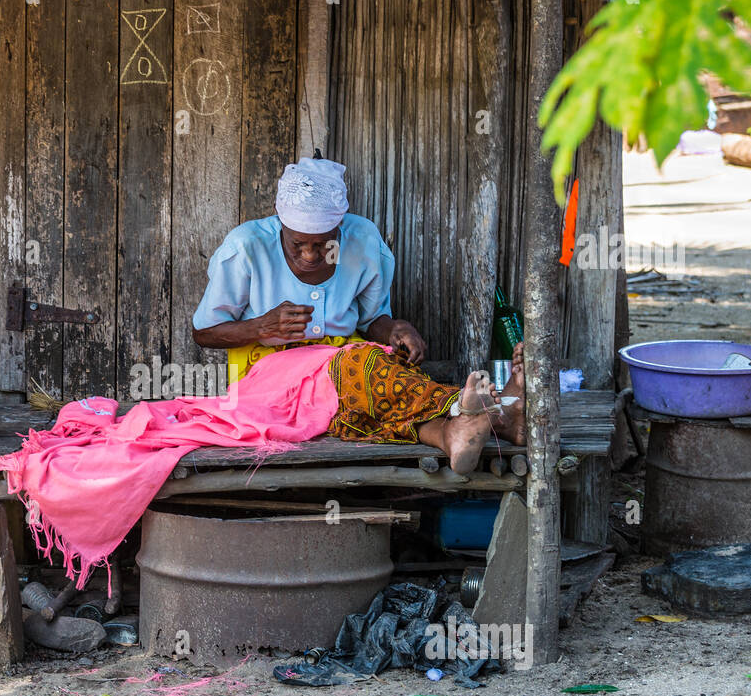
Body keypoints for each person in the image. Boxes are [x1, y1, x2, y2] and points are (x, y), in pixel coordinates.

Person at [191, 155, 525, 473]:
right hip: (267, 378)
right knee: (361, 370)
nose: (310, 255)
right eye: (298, 245)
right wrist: (260, 327)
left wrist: (395, 329)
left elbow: (370, 321)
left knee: (370, 389)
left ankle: (451, 434)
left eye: (323, 245)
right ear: (281, 225)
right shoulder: (247, 247)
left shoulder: (362, 240)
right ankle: (499, 410)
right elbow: (204, 333)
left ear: (339, 228)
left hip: (343, 366)